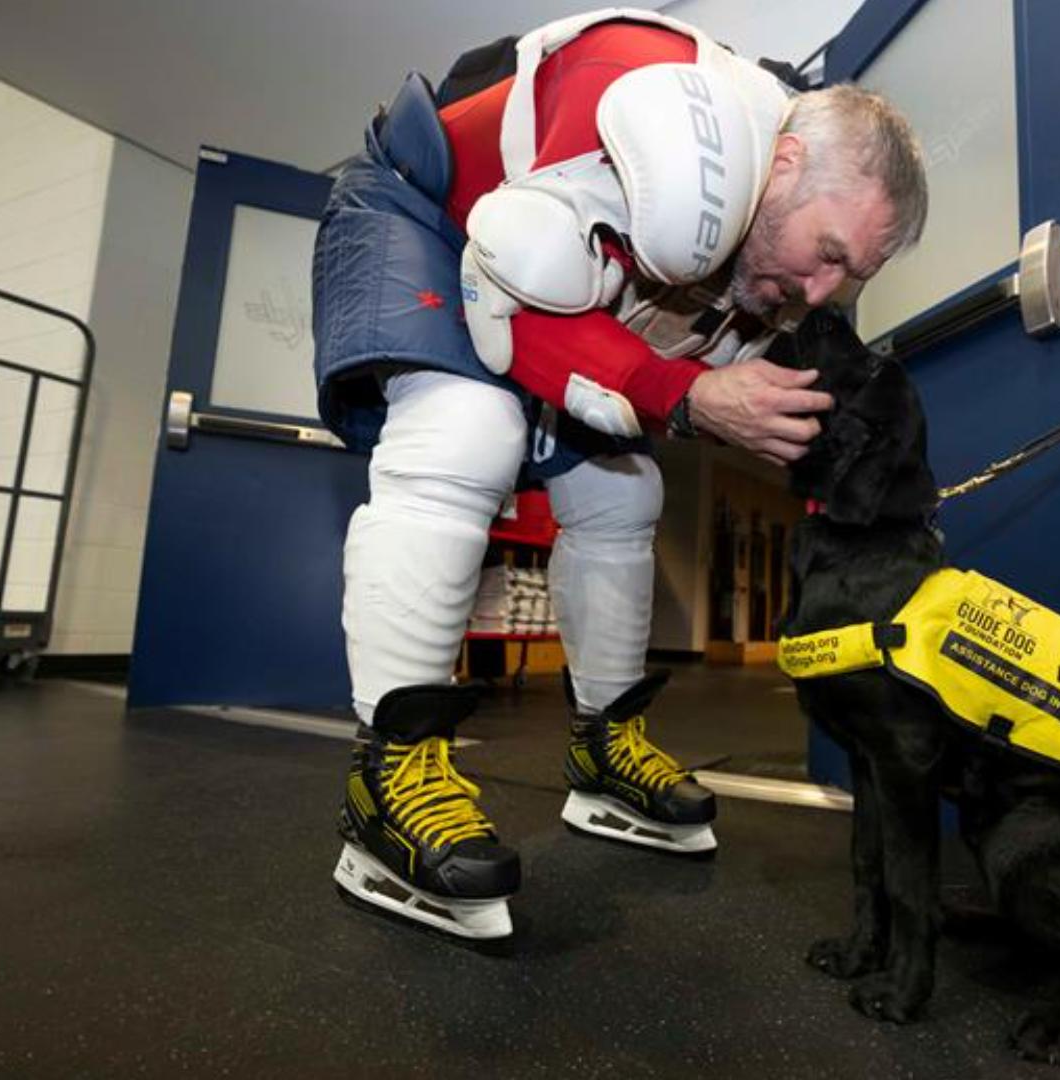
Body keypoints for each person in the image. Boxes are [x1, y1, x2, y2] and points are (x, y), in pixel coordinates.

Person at [310, 8, 927, 941]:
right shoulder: (667, 111)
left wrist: (726, 406)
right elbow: (513, 299)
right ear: (786, 165)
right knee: (463, 427)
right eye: (828, 254)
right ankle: (388, 775)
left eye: (847, 278)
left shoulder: (768, 245)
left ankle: (604, 747)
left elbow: (621, 347)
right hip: (425, 218)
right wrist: (693, 397)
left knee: (622, 488)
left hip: (531, 285)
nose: (818, 294)